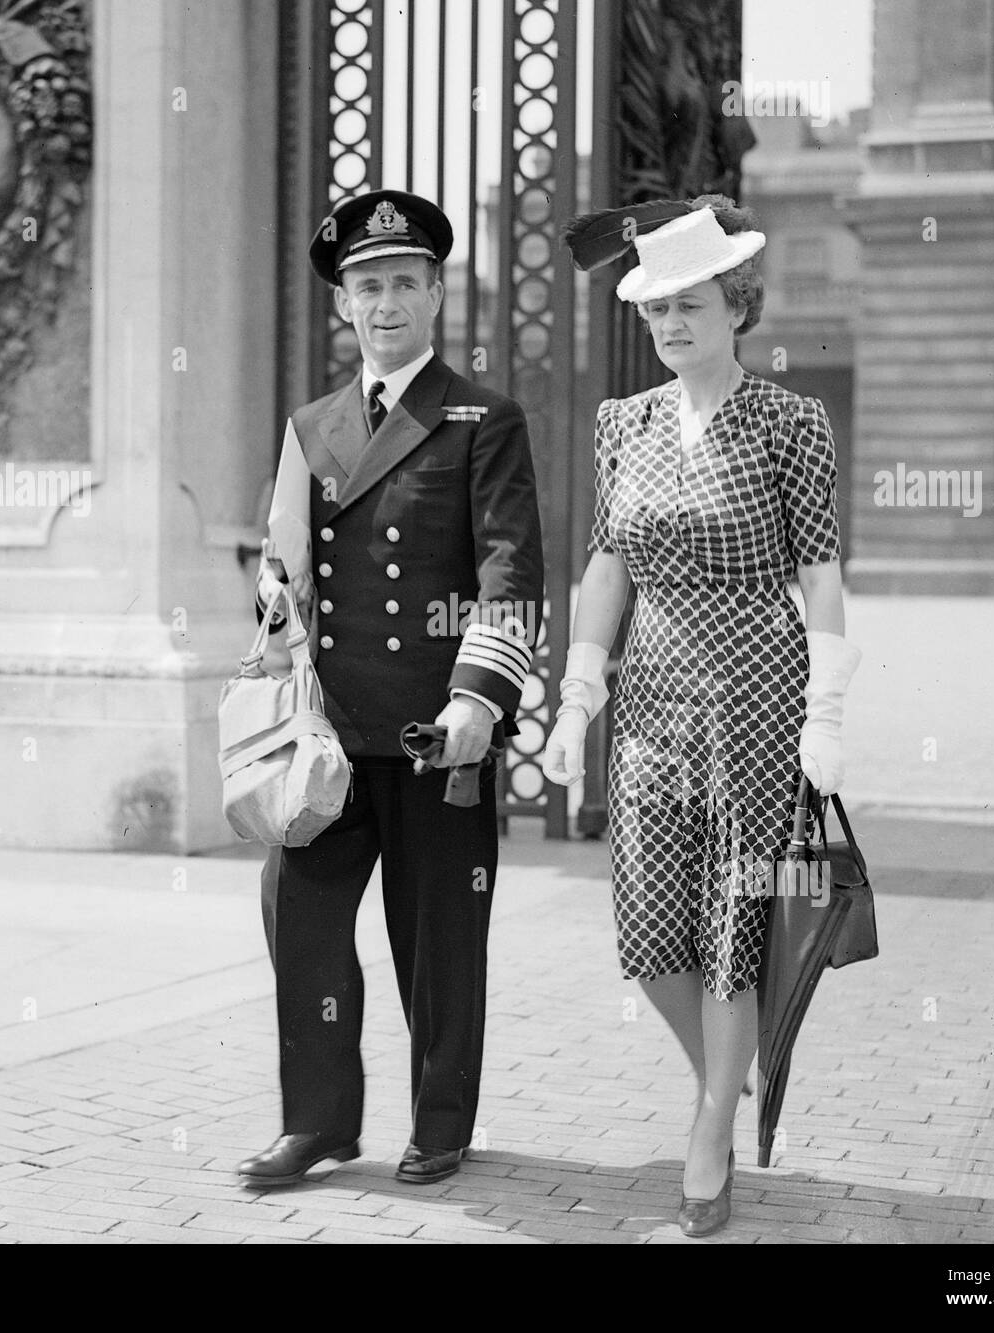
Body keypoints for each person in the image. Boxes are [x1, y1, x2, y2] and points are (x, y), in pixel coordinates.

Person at [544, 196, 860, 1237]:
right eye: (654, 311)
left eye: (689, 305)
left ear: (736, 308)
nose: (670, 325)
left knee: (732, 919)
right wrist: (578, 687)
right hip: (653, 692)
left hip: (760, 689)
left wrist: (826, 706)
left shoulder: (789, 421)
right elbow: (606, 561)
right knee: (647, 928)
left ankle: (710, 1122)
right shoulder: (620, 422)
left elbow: (818, 572)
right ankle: (731, 1075)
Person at [238, 190, 544, 1189]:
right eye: (366, 286)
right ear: (343, 304)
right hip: (329, 734)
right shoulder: (311, 426)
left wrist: (477, 699)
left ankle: (440, 1119)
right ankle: (319, 1120)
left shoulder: (480, 420)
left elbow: (510, 569)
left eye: (404, 283)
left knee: (439, 937)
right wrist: (272, 599)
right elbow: (280, 559)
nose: (385, 303)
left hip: (434, 728)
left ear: (436, 294)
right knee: (301, 917)